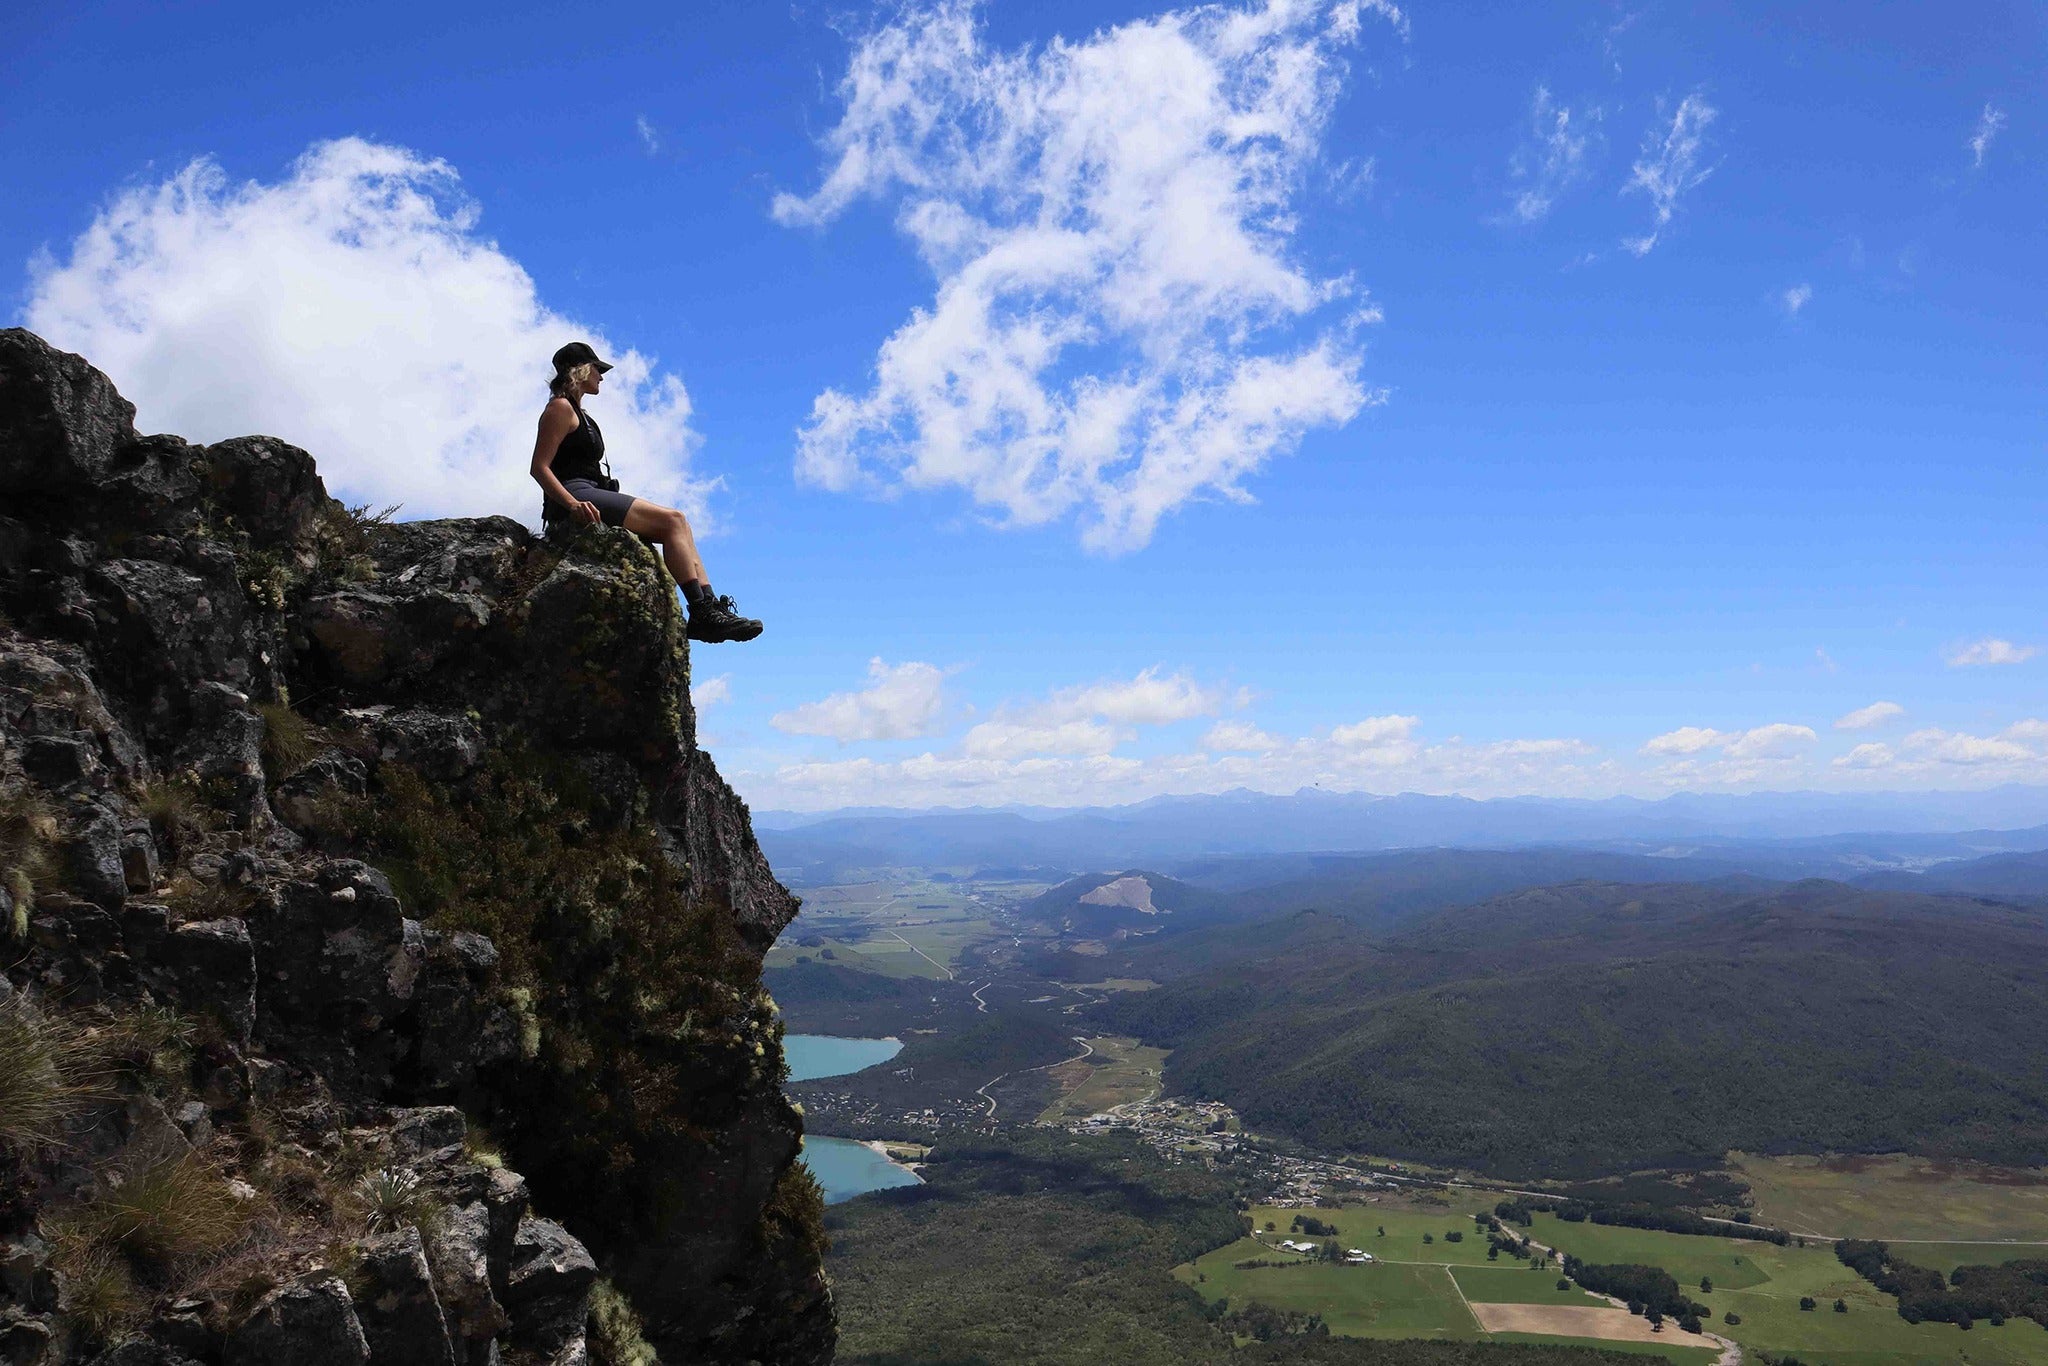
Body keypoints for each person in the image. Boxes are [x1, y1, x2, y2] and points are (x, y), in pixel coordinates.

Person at [532, 341, 761, 643]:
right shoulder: (560, 408)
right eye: (597, 369)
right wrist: (572, 504)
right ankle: (702, 612)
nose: (602, 376)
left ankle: (710, 608)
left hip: (589, 492)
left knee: (681, 526)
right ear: (581, 370)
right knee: (673, 520)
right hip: (576, 496)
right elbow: (539, 467)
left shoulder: (582, 414)